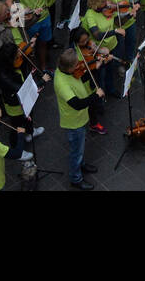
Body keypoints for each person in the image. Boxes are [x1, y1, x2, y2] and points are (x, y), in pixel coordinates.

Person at [54, 49, 103, 190]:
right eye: (77, 64)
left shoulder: (67, 71)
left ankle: (82, 165)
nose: (80, 65)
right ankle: (76, 179)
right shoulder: (61, 83)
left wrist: (94, 68)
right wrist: (96, 95)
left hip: (81, 117)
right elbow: (77, 104)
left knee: (80, 147)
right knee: (76, 151)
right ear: (69, 68)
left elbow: (80, 78)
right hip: (74, 121)